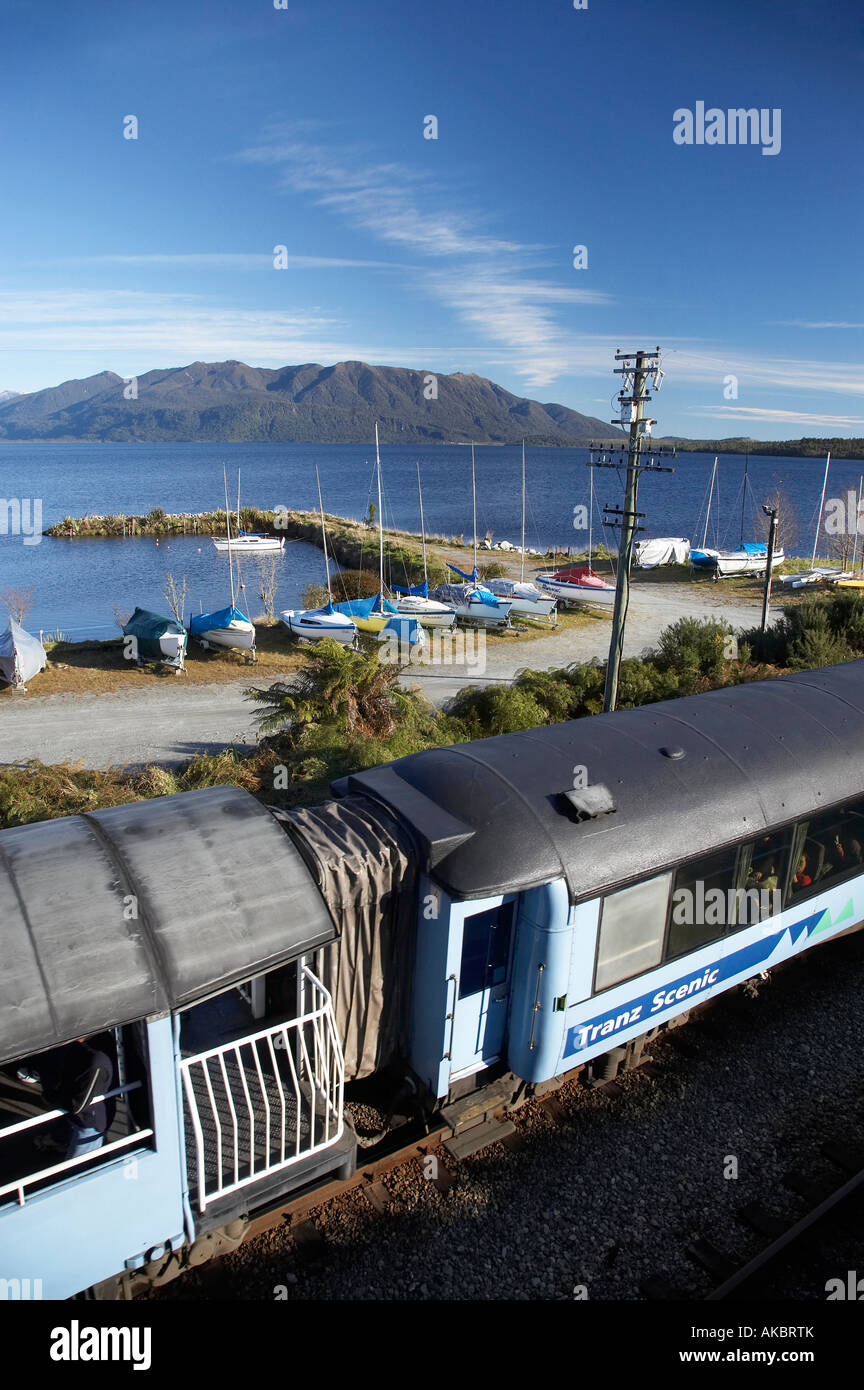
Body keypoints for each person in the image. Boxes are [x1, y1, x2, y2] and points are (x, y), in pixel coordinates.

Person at [44, 1039, 115, 1161]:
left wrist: (52, 1098)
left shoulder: (96, 1062)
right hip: (77, 1116)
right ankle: (61, 1142)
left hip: (88, 1121)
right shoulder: (80, 1049)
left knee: (78, 1168)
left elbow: (78, 1105)